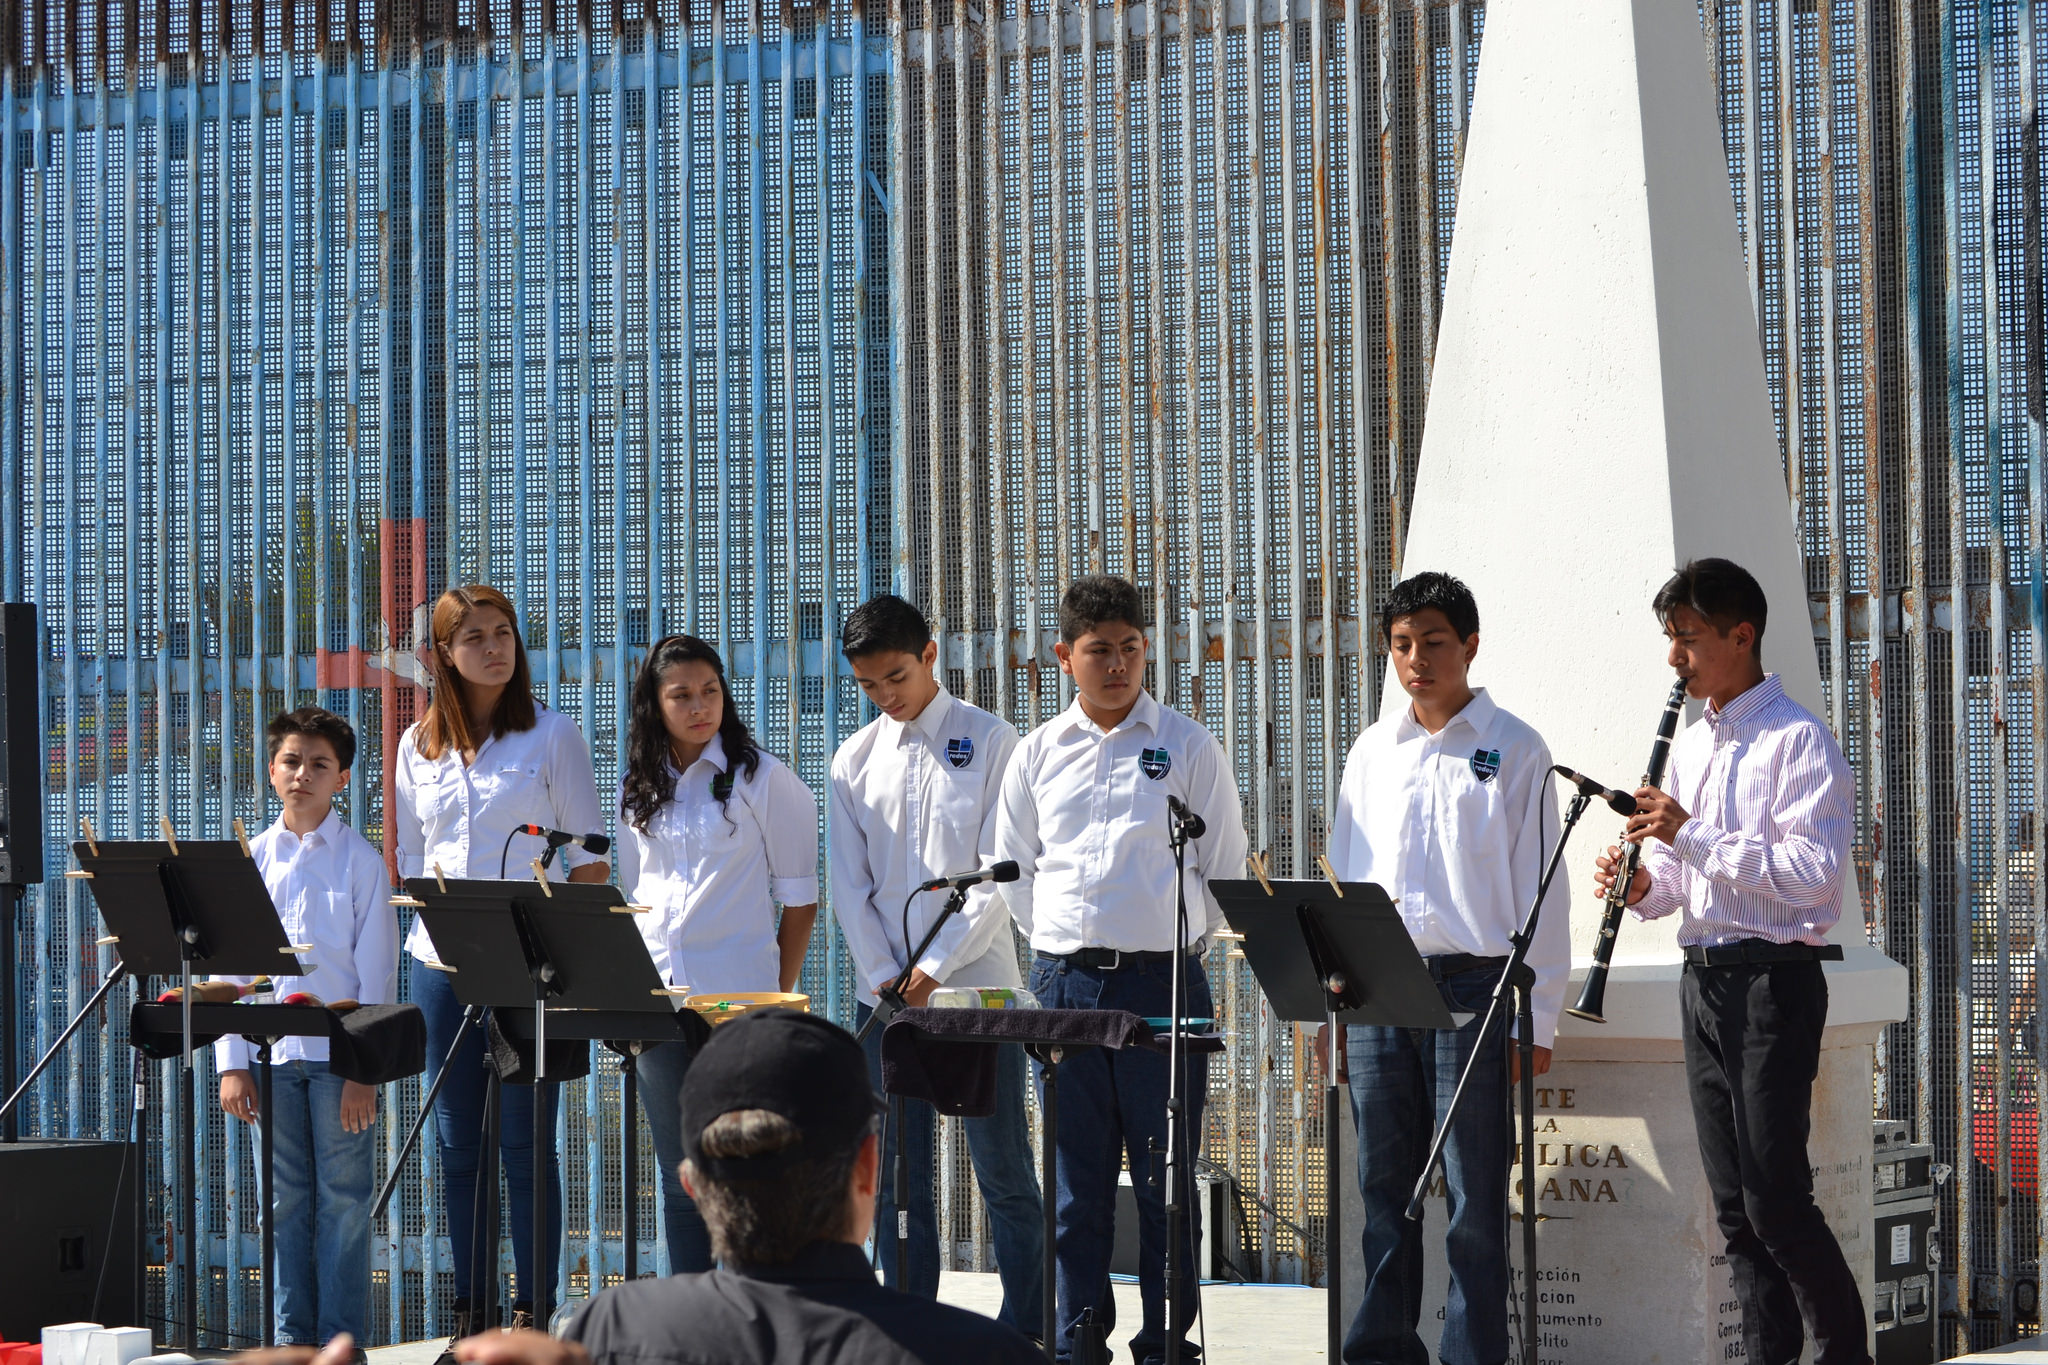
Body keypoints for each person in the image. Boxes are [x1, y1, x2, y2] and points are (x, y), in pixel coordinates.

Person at [1596, 557, 1868, 1365]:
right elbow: (1682, 882)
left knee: (1777, 1198)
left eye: (1686, 637)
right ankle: (1767, 1354)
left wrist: (1689, 833)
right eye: (1671, 638)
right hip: (1704, 978)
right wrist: (1641, 881)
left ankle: (1844, 1355)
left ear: (1740, 635)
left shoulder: (1798, 739)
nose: (1673, 657)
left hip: (1771, 981)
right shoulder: (1693, 745)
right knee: (1733, 1206)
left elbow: (1813, 878)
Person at [993, 574, 1249, 1365]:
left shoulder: (1186, 745)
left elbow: (1224, 869)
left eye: (1130, 649)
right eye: (1098, 650)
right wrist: (1069, 944)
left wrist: (1155, 944)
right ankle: (1077, 1340)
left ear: (1147, 650)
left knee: (1168, 1182)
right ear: (1065, 656)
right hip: (1066, 987)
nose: (1116, 665)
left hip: (1163, 987)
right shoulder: (1036, 752)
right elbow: (1014, 871)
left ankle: (1167, 1342)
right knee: (1076, 1189)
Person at [1322, 571, 1568, 1365]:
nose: (1416, 659)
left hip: (1478, 987)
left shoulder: (1516, 746)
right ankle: (1383, 1351)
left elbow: (1545, 893)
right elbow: (1342, 874)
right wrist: (1330, 1003)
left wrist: (1544, 1019)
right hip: (1376, 984)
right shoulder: (1372, 749)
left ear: (1469, 644)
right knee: (1382, 1192)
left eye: (1433, 642)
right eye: (1401, 645)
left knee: (1471, 1201)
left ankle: (1471, 1355)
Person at [393, 584, 609, 1337]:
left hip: (532, 963)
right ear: (443, 655)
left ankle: (531, 1312)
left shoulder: (552, 735)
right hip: (440, 962)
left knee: (524, 1143)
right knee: (459, 1145)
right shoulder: (415, 746)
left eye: (504, 633)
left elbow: (588, 860)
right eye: (475, 636)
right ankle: (474, 1310)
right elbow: (413, 860)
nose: (494, 647)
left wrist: (573, 962)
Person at [828, 594, 1044, 1328]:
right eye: (868, 686)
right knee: (896, 1178)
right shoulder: (852, 761)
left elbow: (1000, 870)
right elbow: (848, 885)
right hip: (886, 998)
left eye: (896, 676)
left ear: (930, 654)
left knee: (1004, 1169)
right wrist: (889, 974)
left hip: (975, 991)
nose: (887, 697)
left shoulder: (992, 739)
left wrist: (934, 967)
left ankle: (1027, 1328)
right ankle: (909, 1325)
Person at [617, 633, 821, 1273]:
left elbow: (800, 900)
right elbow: (636, 895)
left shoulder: (764, 778)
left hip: (740, 1003)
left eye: (710, 691)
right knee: (683, 1172)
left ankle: (752, 1317)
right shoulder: (637, 786)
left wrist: (769, 998)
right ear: (654, 704)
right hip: (658, 1002)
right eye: (681, 695)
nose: (700, 705)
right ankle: (694, 1322)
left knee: (743, 1169)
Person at [215, 706, 399, 1350]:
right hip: (268, 1058)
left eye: (319, 764)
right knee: (281, 1204)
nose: (303, 774)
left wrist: (362, 1071)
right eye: (291, 761)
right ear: (272, 771)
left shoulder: (360, 862)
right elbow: (231, 969)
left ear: (342, 778)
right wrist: (232, 1061)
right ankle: (291, 1347)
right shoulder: (251, 861)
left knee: (343, 1205)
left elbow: (375, 976)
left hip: (336, 1060)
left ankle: (340, 1347)